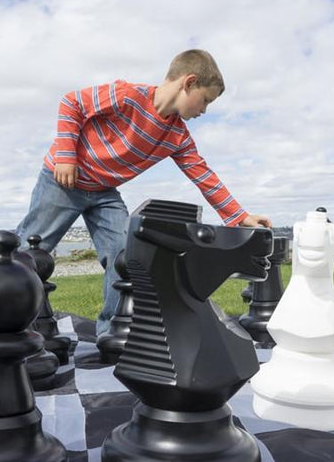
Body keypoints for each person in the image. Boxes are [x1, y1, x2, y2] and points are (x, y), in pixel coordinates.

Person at [16, 49, 271, 336]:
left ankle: (112, 331)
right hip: (63, 181)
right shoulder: (128, 96)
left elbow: (204, 176)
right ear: (188, 83)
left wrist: (239, 216)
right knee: (27, 253)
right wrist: (66, 156)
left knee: (124, 255)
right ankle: (0, 321)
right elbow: (72, 103)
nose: (204, 110)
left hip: (103, 192)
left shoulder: (177, 136)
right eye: (206, 100)